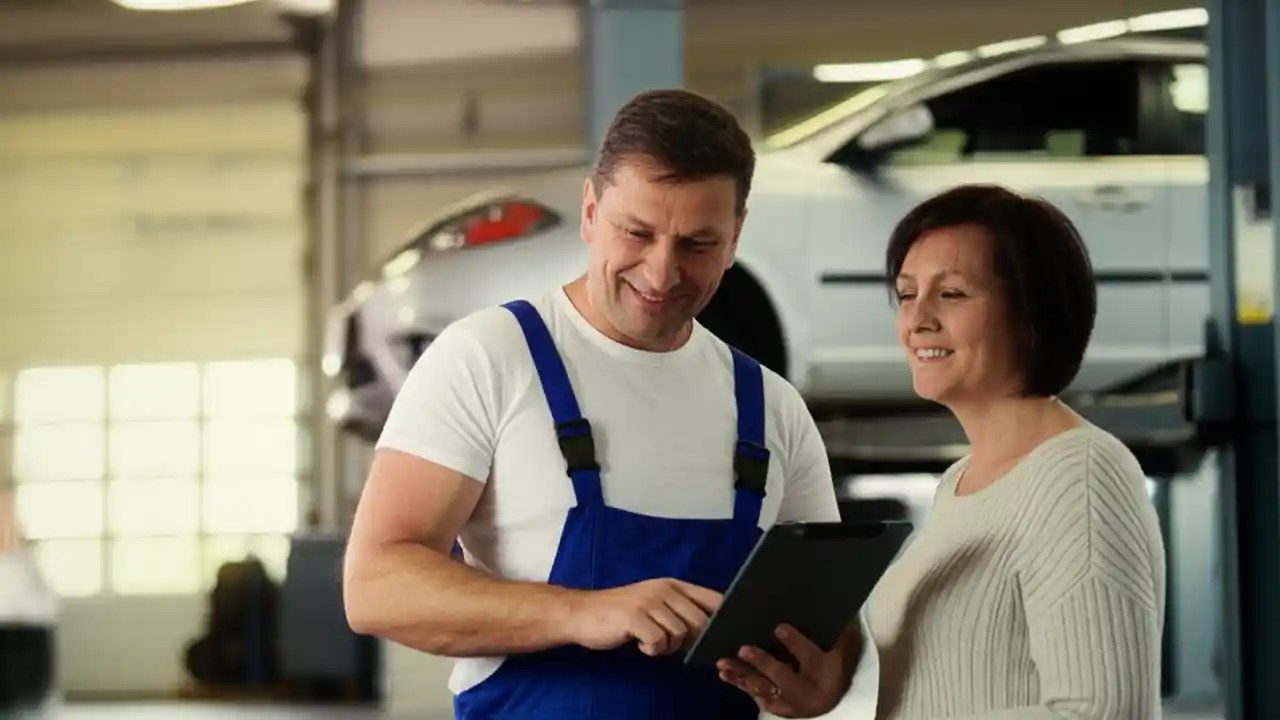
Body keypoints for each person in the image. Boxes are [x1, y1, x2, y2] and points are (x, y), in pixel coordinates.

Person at [342, 88, 858, 719]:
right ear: (590, 211)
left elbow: (825, 643)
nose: (662, 272)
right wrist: (584, 611)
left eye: (697, 244)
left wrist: (815, 685)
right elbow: (375, 586)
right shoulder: (490, 358)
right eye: (636, 232)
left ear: (735, 236)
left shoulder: (773, 409)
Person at [862, 184, 1167, 719]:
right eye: (907, 294)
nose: (918, 319)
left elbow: (1098, 712)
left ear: (1032, 314)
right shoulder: (962, 481)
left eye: (952, 294)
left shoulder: (1080, 475)